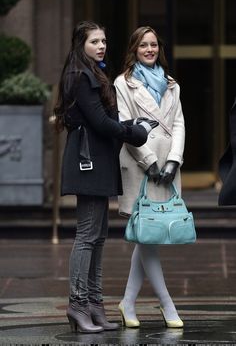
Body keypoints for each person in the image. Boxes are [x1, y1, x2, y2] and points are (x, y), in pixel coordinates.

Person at [53, 21, 158, 334]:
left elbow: (106, 120)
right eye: (94, 41)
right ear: (80, 44)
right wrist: (134, 133)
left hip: (99, 159)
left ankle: (95, 305)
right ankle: (77, 304)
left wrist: (130, 126)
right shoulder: (80, 76)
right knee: (87, 235)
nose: (101, 46)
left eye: (104, 40)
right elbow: (99, 122)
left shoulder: (94, 73)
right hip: (88, 160)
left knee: (98, 235)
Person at [114, 26, 185, 328]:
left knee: (148, 236)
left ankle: (127, 303)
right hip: (141, 165)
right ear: (134, 49)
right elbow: (124, 126)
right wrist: (151, 161)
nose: (150, 49)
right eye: (143, 45)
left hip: (166, 170)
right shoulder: (123, 83)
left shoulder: (172, 85)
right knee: (148, 237)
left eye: (154, 45)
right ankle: (167, 304)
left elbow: (179, 123)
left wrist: (173, 161)